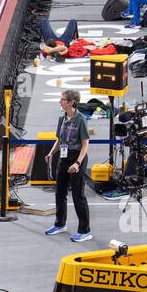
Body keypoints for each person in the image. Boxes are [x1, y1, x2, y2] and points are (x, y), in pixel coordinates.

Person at [44, 89, 91, 242]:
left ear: (71, 102)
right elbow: (59, 140)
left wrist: (77, 163)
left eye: (63, 99)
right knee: (60, 192)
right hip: (64, 158)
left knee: (78, 195)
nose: (60, 101)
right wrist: (51, 153)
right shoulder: (62, 119)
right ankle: (60, 224)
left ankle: (85, 230)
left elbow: (85, 145)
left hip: (77, 157)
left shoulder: (81, 120)